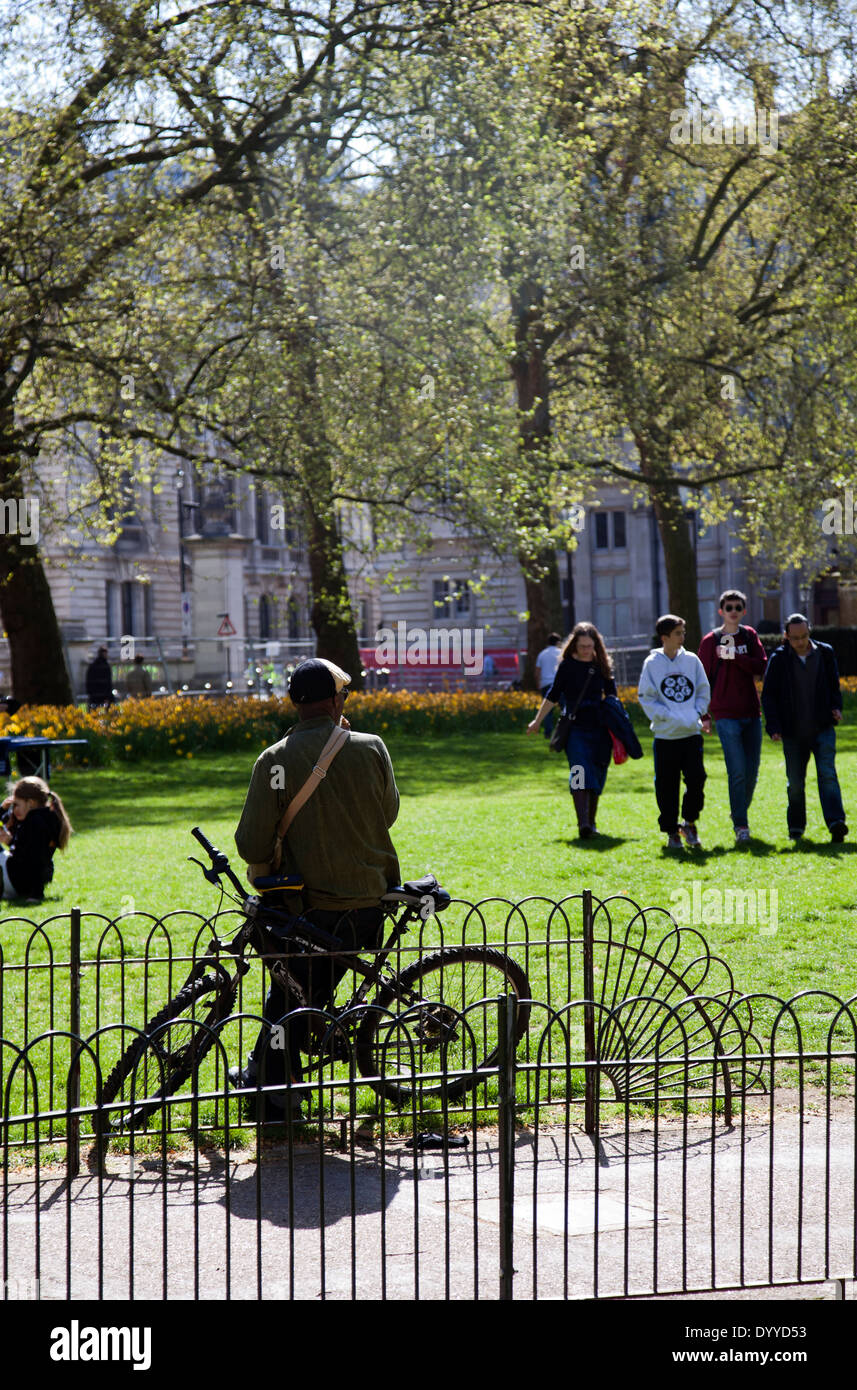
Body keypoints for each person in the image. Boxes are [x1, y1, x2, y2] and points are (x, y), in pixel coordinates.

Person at [233, 656, 401, 1121]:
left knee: (287, 1000)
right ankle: (272, 1079)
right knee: (295, 998)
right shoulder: (372, 747)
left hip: (306, 910)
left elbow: (250, 844)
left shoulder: (275, 760)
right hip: (368, 904)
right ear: (335, 700)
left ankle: (275, 1094)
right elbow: (386, 814)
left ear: (296, 704)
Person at [760, 614, 847, 843]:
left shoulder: (825, 653)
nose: (800, 642)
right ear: (786, 636)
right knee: (795, 783)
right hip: (792, 732)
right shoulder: (779, 659)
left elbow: (833, 684)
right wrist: (774, 725)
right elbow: (769, 695)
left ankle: (836, 823)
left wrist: (836, 707)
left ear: (810, 632)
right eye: (795, 638)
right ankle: (796, 828)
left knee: (828, 775)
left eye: (804, 636)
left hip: (822, 727)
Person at [526, 622, 615, 838]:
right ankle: (582, 823)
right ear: (574, 645)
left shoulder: (602, 665)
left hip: (600, 727)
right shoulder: (566, 666)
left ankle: (592, 822)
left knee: (596, 773)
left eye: (589, 646)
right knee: (579, 772)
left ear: (596, 645)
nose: (586, 650)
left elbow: (613, 697)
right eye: (582, 646)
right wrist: (537, 720)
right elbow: (553, 694)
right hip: (574, 727)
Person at [698, 590, 768, 844]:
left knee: (752, 772)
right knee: (737, 771)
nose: (734, 611)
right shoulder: (710, 641)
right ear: (721, 611)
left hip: (751, 711)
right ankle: (741, 825)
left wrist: (735, 657)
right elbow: (702, 680)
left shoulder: (749, 636)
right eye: (729, 607)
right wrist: (705, 714)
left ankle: (738, 810)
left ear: (744, 611)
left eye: (738, 607)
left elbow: (761, 666)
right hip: (725, 714)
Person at [638, 615, 711, 851]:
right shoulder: (652, 663)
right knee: (666, 786)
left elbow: (702, 690)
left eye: (683, 632)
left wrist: (696, 712)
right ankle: (671, 831)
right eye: (678, 633)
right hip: (666, 737)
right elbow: (646, 697)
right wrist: (667, 716)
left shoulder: (692, 660)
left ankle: (689, 823)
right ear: (665, 637)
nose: (683, 637)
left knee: (697, 779)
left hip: (691, 734)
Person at [0, 776, 73, 904]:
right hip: (22, 882)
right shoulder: (47, 818)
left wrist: (36, 895)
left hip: (17, 880)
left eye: (16, 805)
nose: (14, 809)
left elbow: (35, 859)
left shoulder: (35, 822)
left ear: (31, 803)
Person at [534, 632, 563, 738]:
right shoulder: (561, 653)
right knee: (564, 709)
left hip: (545, 683)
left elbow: (537, 671)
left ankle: (548, 732)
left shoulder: (542, 654)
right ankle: (562, 731)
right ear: (558, 642)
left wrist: (538, 683)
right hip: (560, 684)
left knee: (547, 710)